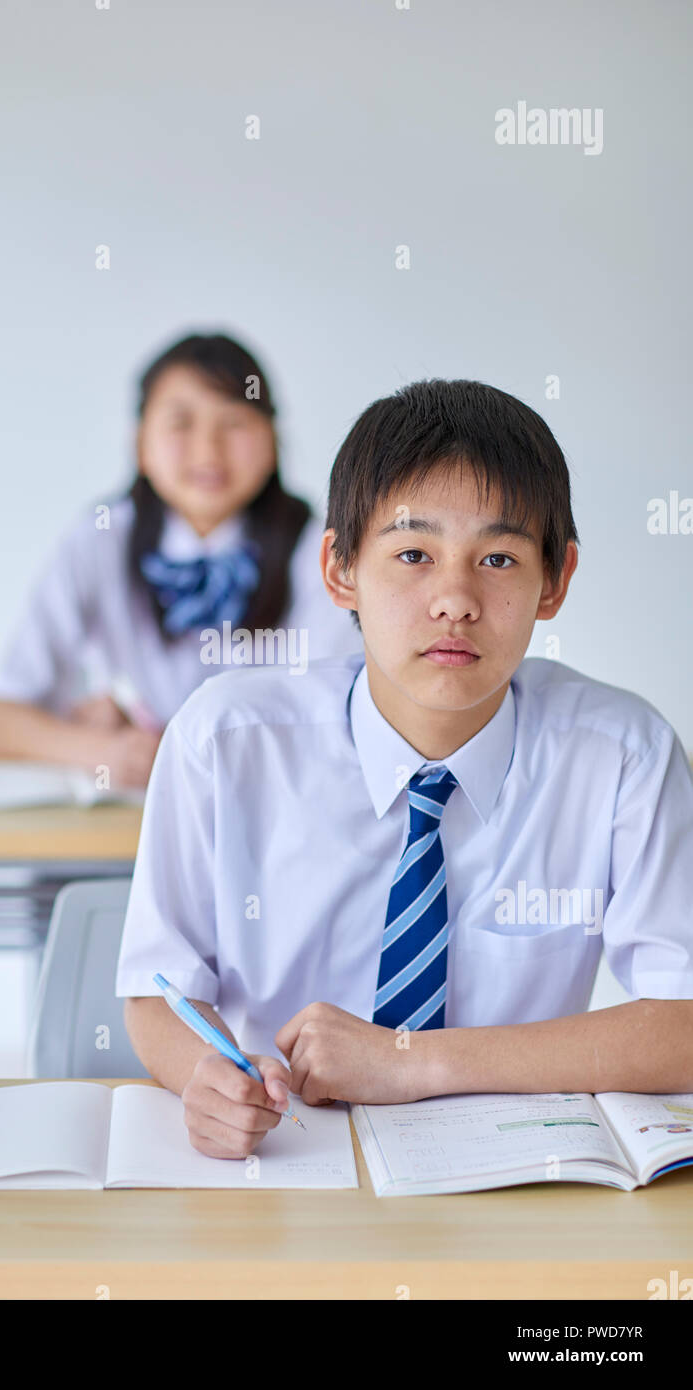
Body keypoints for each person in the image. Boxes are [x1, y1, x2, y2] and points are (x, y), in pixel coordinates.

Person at [116, 377, 693, 1157]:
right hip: (288, 1158)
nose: (454, 599)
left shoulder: (624, 754)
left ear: (554, 581)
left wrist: (409, 1062)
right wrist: (203, 1079)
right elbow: (160, 994)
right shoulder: (224, 741)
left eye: (497, 557)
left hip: (514, 1171)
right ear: (340, 568)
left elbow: (683, 1023)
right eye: (413, 553)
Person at [0, 332, 362, 787]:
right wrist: (101, 749)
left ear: (272, 442)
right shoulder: (99, 539)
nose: (207, 451)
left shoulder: (320, 552)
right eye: (181, 423)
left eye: (234, 423)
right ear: (141, 443)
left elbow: (344, 711)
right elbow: (1, 721)